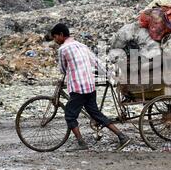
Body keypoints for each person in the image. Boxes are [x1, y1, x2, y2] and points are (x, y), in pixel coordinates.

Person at [48, 23, 132, 152]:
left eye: (55, 37)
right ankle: (122, 136)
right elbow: (96, 62)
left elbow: (63, 70)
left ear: (60, 35)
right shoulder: (82, 46)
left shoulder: (63, 50)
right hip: (90, 85)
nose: (55, 40)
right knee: (95, 113)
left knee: (70, 115)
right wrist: (108, 75)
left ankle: (81, 143)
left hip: (78, 87)